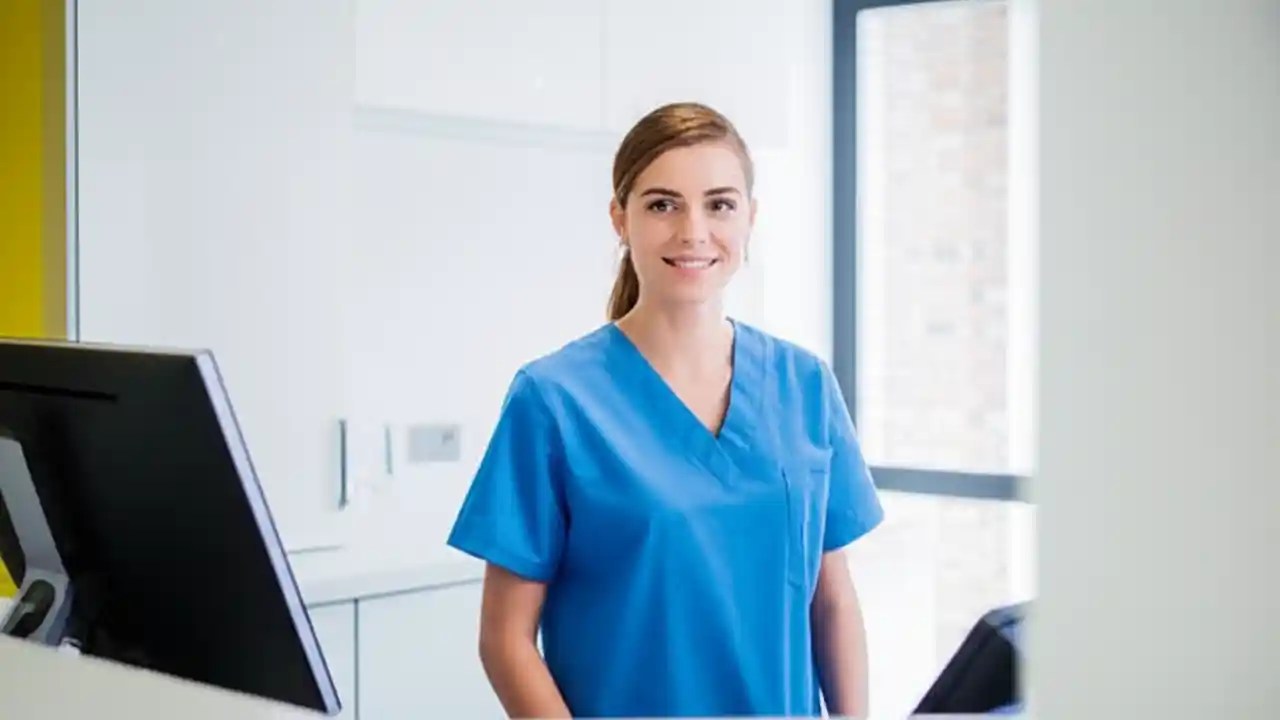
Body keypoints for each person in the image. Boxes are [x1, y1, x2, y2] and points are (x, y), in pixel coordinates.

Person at [446, 101, 884, 718]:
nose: (693, 231)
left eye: (719, 204)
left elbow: (832, 601)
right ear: (619, 219)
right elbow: (505, 638)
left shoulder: (803, 384)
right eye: (662, 204)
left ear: (750, 218)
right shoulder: (555, 400)